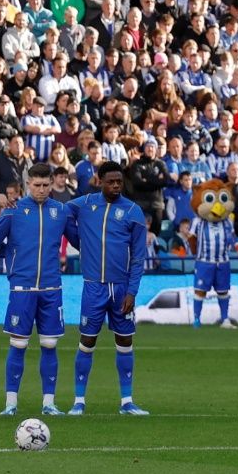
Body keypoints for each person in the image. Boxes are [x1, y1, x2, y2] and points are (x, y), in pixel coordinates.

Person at [0, 162, 77, 416]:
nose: (42, 190)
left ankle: (49, 403)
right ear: (27, 185)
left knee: (49, 344)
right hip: (21, 288)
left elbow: (80, 239)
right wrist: (10, 254)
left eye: (46, 185)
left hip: (51, 287)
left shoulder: (61, 211)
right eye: (37, 185)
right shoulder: (13, 212)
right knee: (18, 344)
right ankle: (10, 404)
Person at [67, 162, 149, 415]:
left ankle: (127, 402)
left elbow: (138, 257)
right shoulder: (83, 204)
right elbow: (61, 214)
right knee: (87, 340)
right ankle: (79, 401)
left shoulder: (133, 212)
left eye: (119, 182)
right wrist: (80, 243)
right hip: (93, 287)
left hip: (121, 288)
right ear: (98, 180)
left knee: (125, 340)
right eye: (110, 181)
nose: (115, 186)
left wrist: (132, 291)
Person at [186, 181, 238, 328]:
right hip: (204, 261)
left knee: (223, 291)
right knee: (200, 291)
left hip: (223, 261)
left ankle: (225, 319)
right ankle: (196, 319)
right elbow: (191, 238)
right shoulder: (198, 221)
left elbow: (232, 237)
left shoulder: (227, 221)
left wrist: (236, 245)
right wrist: (194, 250)